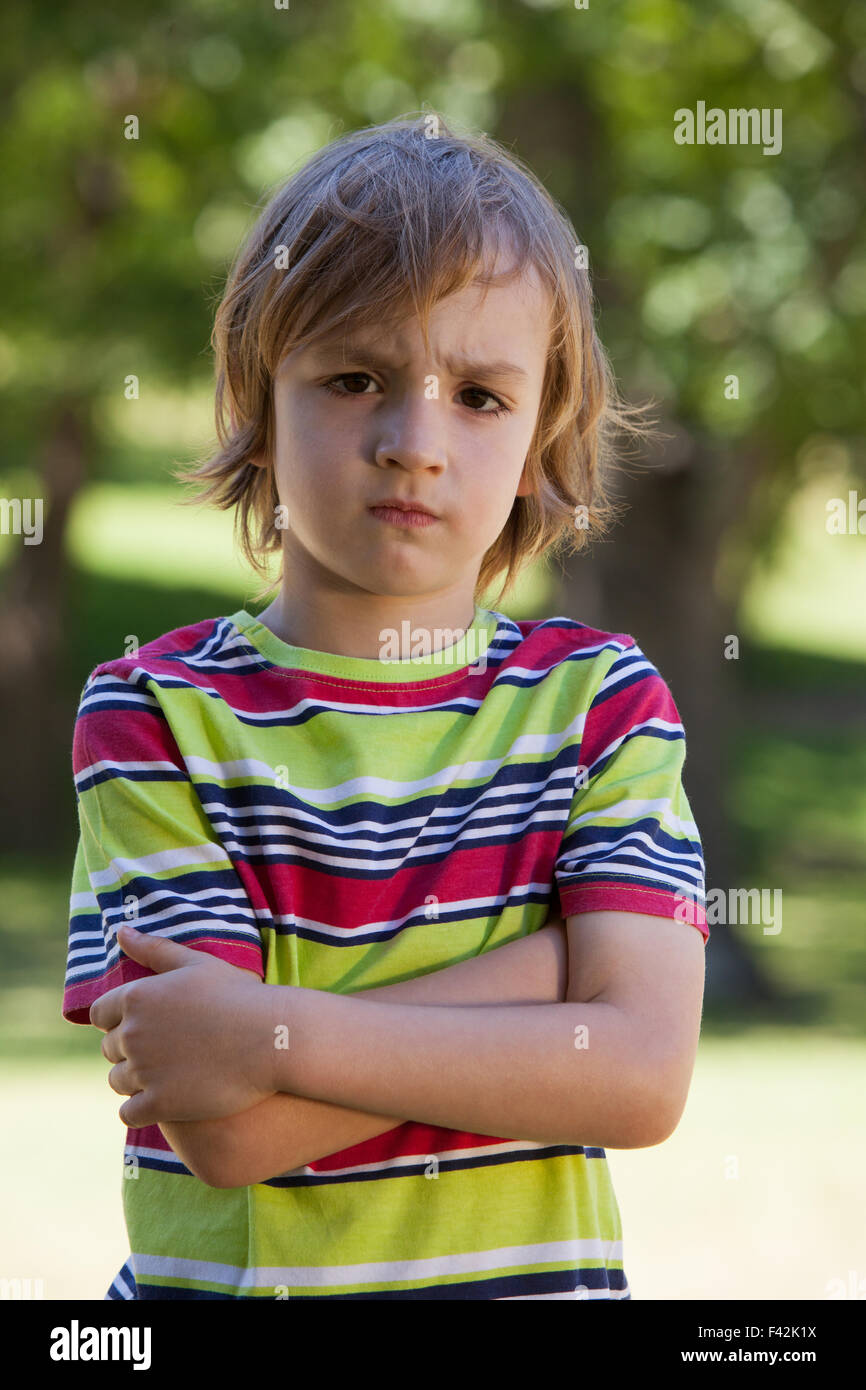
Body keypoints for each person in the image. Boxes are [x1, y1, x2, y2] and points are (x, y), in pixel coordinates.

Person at [62, 112, 709, 1301]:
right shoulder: (154, 715)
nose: (413, 443)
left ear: (539, 438)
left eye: (476, 395)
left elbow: (637, 1080)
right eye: (353, 378)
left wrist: (266, 1028)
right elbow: (228, 1132)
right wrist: (546, 973)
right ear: (257, 403)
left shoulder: (597, 708)